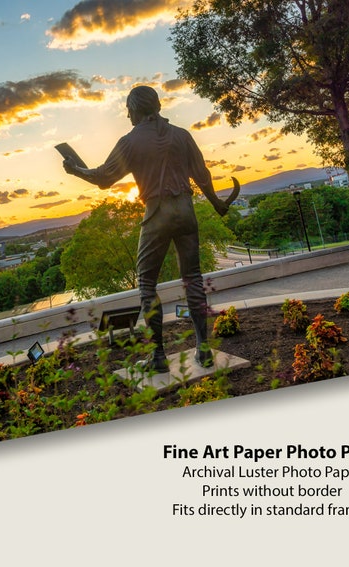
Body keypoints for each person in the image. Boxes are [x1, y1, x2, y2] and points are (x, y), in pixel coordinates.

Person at [62, 85, 236, 371]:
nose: (128, 115)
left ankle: (157, 357)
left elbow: (104, 178)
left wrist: (75, 170)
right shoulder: (182, 135)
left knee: (146, 285)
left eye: (129, 110)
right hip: (185, 210)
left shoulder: (130, 141)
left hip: (157, 213)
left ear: (137, 109)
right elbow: (202, 174)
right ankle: (203, 350)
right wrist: (216, 202)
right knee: (193, 279)